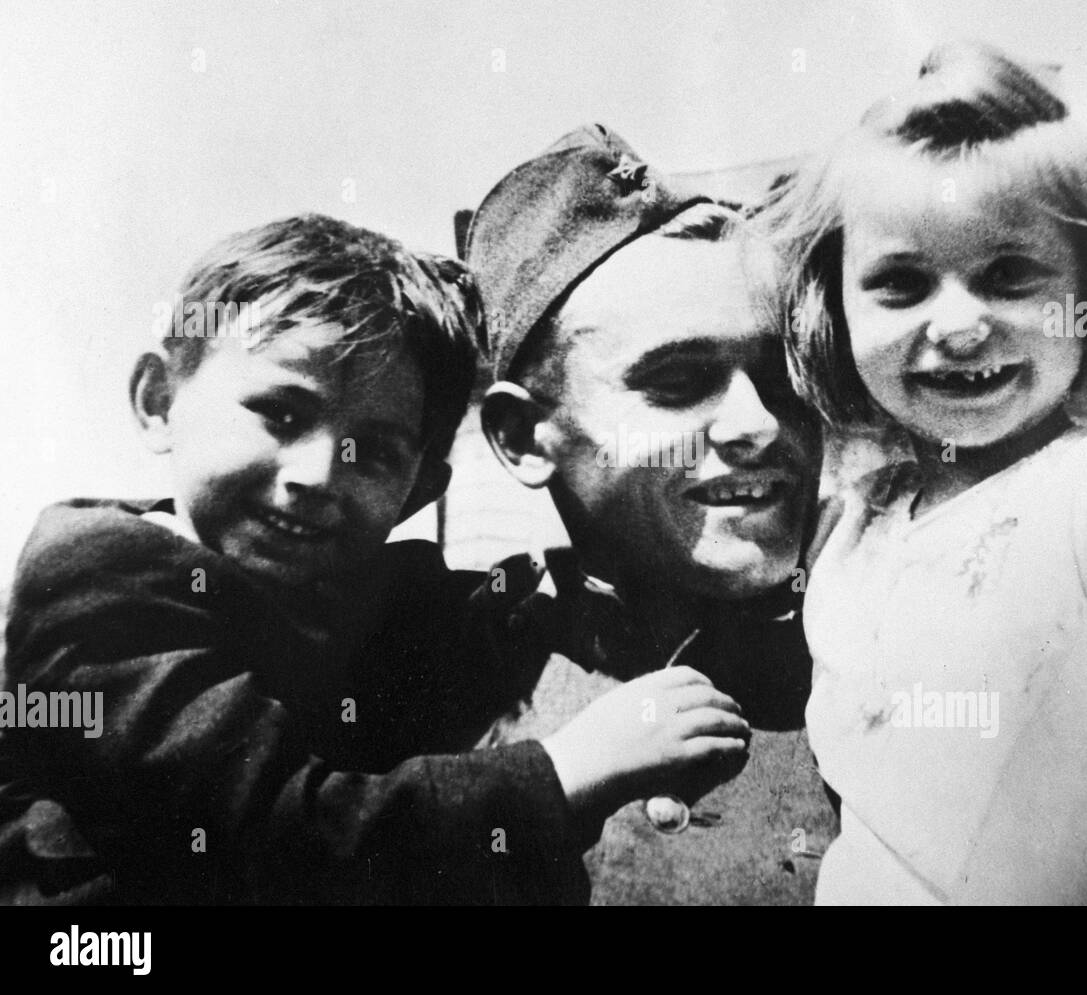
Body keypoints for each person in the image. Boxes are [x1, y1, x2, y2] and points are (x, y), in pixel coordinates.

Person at [0, 213, 751, 905]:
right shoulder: (99, 591)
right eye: (281, 414)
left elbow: (444, 608)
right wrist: (564, 772)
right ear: (159, 401)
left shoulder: (342, 586)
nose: (318, 473)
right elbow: (275, 834)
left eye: (375, 452)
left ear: (420, 486)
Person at [761, 41, 1087, 904]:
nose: (962, 324)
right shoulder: (850, 527)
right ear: (837, 306)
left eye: (1010, 276)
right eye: (901, 284)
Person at [461, 124, 839, 904]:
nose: (758, 423)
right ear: (524, 438)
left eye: (782, 376)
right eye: (677, 382)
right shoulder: (438, 671)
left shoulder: (897, 651)